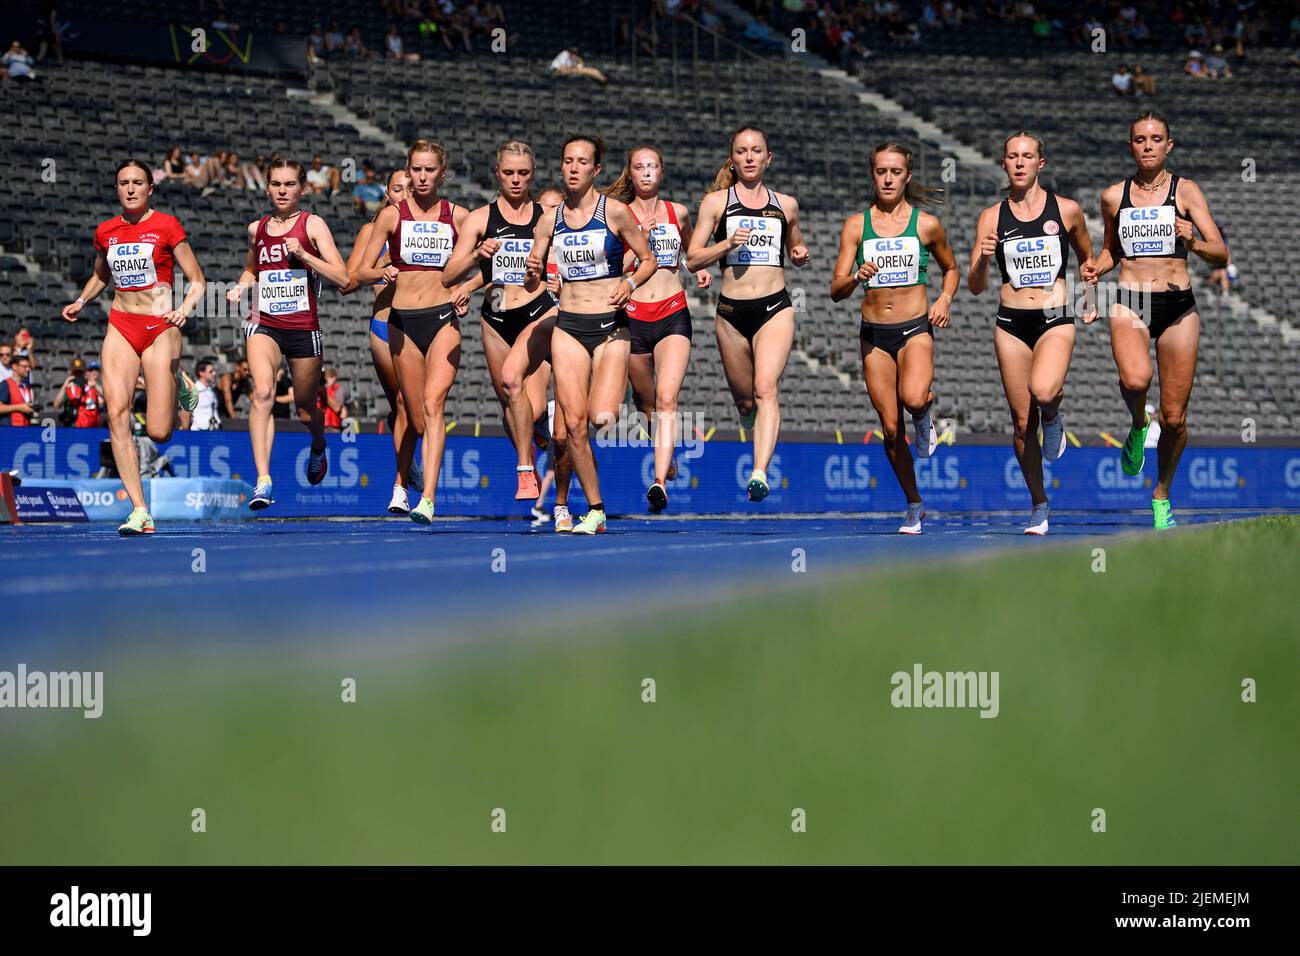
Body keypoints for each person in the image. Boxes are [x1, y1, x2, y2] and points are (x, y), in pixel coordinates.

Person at [1086, 112, 1229, 530]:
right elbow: (1111, 250)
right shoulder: (1114, 196)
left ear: (1170, 145)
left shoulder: (1187, 192)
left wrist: (1193, 241)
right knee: (1134, 381)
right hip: (1131, 300)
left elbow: (1221, 253)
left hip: (1178, 305)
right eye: (1139, 139)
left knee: (1176, 418)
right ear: (1130, 146)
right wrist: (1095, 268)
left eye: (1156, 139)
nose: (1147, 146)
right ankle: (1136, 423)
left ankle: (1162, 493)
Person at [61, 159, 206, 535]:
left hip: (160, 325)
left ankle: (178, 379)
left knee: (159, 432)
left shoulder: (167, 226)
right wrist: (82, 300)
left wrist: (184, 310)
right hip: (121, 325)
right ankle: (140, 509)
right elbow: (99, 275)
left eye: (137, 182)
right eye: (123, 183)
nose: (130, 189)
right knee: (117, 414)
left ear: (149, 188)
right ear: (116, 189)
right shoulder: (106, 231)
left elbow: (198, 281)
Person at [523, 133, 657, 535]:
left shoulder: (614, 212)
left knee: (602, 416)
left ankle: (627, 398)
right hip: (568, 326)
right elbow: (535, 273)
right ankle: (595, 509)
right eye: (568, 161)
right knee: (574, 425)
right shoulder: (549, 219)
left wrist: (630, 285)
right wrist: (532, 270)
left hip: (612, 327)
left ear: (596, 169)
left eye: (582, 162)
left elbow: (648, 260)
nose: (574, 168)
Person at [967, 132, 1098, 535]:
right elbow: (975, 285)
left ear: (1041, 163)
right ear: (1004, 164)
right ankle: (1039, 503)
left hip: (1055, 315)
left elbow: (1087, 258)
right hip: (1010, 323)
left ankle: (1055, 415)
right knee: (1022, 424)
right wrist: (984, 259)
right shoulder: (991, 217)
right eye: (1012, 157)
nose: (1019, 163)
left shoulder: (1068, 210)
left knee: (1043, 392)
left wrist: (1089, 295)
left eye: (1027, 156)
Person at [830, 142, 958, 535]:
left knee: (914, 397)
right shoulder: (856, 225)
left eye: (895, 172)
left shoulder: (926, 225)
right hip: (873, 336)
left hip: (915, 327)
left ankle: (923, 415)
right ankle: (914, 504)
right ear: (873, 175)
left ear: (907, 176)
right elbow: (835, 289)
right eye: (881, 171)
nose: (888, 179)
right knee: (889, 429)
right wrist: (856, 277)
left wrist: (944, 299)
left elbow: (951, 268)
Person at [686, 125, 809, 503]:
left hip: (774, 307)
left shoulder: (786, 204)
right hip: (731, 313)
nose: (750, 157)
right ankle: (749, 419)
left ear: (768, 159)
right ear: (733, 159)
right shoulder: (716, 203)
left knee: (765, 388)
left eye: (757, 151)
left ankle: (759, 473)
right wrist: (725, 244)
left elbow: (796, 246)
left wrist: (800, 254)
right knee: (745, 401)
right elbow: (692, 259)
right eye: (742, 151)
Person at [356, 140, 472, 525]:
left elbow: (487, 260)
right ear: (408, 170)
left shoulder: (458, 216)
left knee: (434, 404)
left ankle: (428, 498)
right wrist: (382, 272)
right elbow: (361, 270)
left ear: (442, 172)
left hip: (442, 319)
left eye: (429, 170)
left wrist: (466, 288)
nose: (422, 177)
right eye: (416, 170)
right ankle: (406, 484)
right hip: (402, 322)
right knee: (416, 416)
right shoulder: (391, 218)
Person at [226, 158, 351, 511]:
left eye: (289, 184)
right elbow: (252, 269)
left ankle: (318, 444)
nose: (283, 190)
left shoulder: (314, 226)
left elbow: (343, 278)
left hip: (303, 328)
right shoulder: (257, 229)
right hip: (263, 321)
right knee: (262, 392)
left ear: (302, 189)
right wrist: (240, 288)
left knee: (306, 409)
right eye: (276, 184)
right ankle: (263, 480)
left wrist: (306, 257)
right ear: (267, 188)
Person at [442, 141, 558, 503]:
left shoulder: (547, 217)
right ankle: (531, 452)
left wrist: (555, 278)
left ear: (532, 174)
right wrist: (478, 254)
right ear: (497, 173)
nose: (516, 179)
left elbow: (564, 265)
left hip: (538, 313)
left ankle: (525, 469)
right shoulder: (480, 219)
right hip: (495, 316)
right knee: (511, 402)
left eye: (523, 173)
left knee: (522, 392)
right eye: (508, 173)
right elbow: (448, 275)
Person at [604, 144, 711, 513]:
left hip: (672, 311)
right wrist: (640, 242)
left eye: (652, 167)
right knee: (644, 401)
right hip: (632, 316)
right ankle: (667, 453)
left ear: (661, 172)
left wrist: (696, 267)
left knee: (667, 400)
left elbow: (688, 248)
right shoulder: (618, 215)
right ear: (630, 174)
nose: (646, 172)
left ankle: (659, 481)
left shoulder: (677, 212)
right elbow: (613, 273)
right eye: (639, 167)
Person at [343, 168, 420, 514]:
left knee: (408, 404)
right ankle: (404, 477)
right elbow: (350, 278)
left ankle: (402, 480)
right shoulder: (372, 230)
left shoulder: (429, 230)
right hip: (384, 324)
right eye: (397, 189)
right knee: (401, 404)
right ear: (387, 194)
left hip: (420, 325)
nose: (404, 194)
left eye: (409, 187)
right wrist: (384, 267)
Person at [185, 358, 221, 430]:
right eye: (211, 371)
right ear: (201, 373)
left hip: (214, 432)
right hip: (199, 433)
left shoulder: (212, 390)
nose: (214, 373)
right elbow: (185, 415)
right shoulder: (193, 391)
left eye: (214, 371)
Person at [0, 352, 35, 426]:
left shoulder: (26, 385)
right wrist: (19, 407)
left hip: (24, 427)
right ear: (14, 366)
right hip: (9, 429)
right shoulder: (5, 384)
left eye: (28, 366)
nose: (28, 369)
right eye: (25, 366)